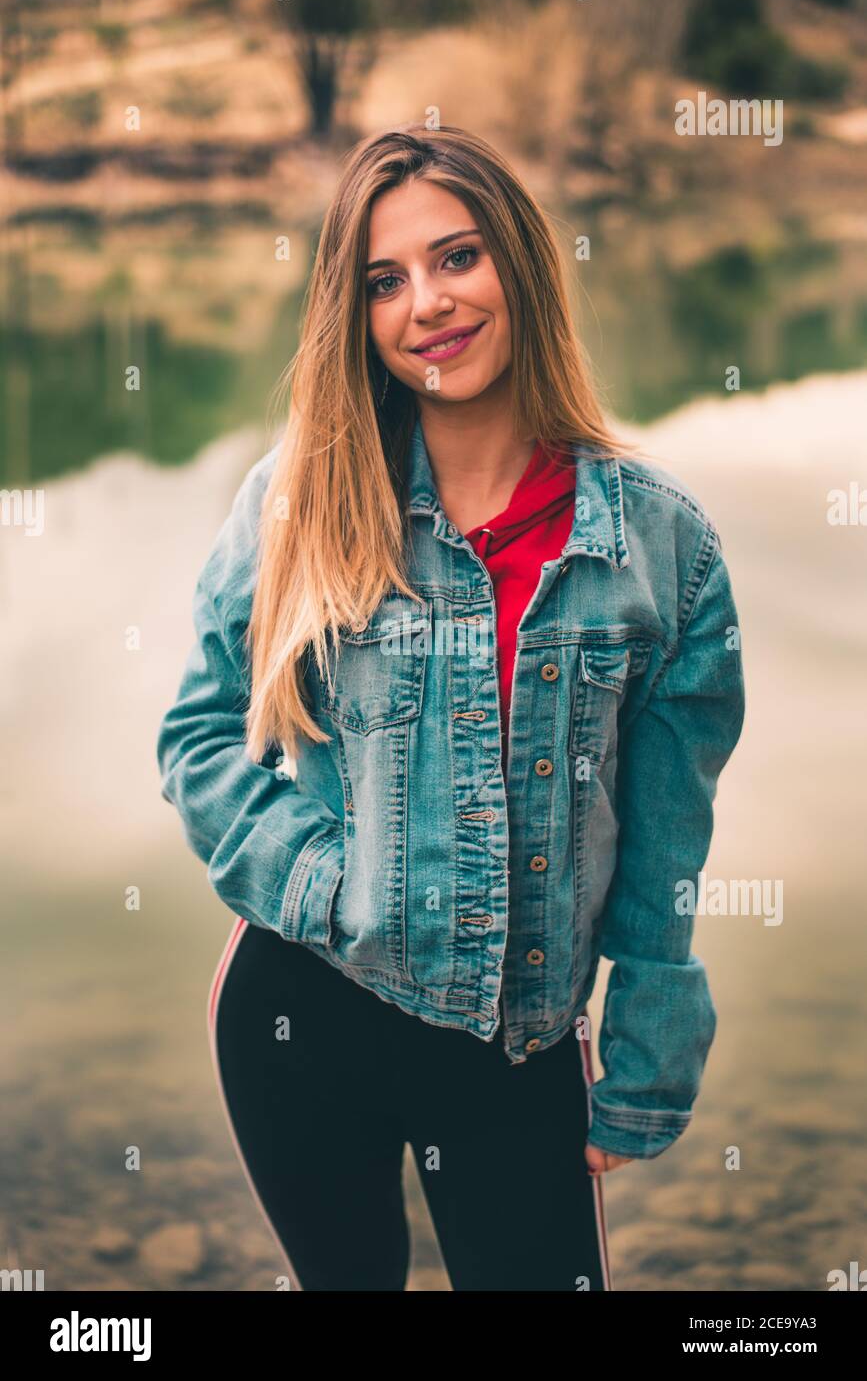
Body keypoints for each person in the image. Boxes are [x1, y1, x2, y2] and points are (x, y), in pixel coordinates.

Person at [157, 123, 746, 1292]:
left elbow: (669, 829)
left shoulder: (662, 543)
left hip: (518, 1049)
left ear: (520, 263)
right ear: (357, 314)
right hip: (301, 1021)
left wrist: (647, 1048)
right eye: (385, 280)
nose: (427, 302)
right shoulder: (300, 496)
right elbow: (199, 739)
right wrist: (334, 882)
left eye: (457, 257)